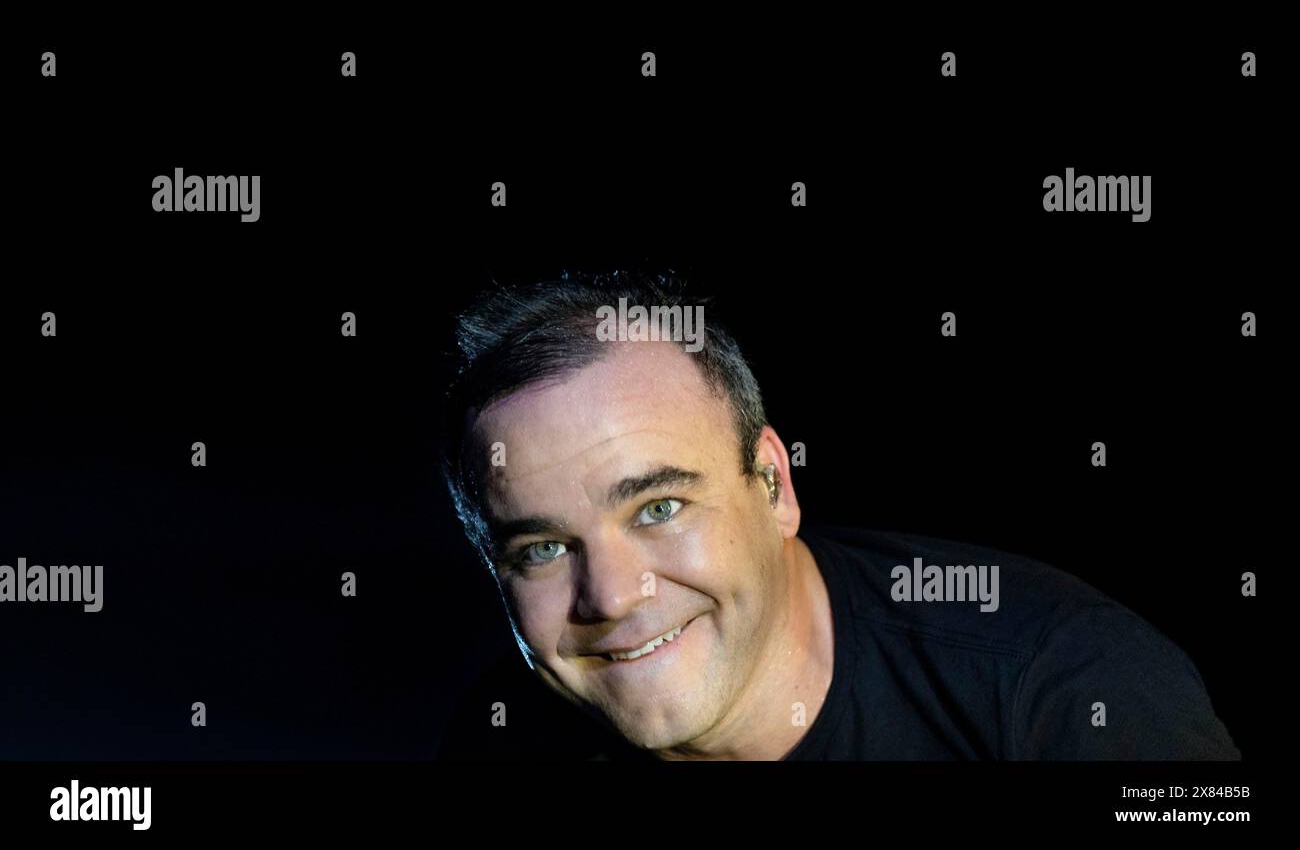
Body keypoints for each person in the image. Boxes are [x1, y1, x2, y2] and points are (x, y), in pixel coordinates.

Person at [437, 271, 1240, 760]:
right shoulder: (500, 741)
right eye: (541, 549)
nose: (609, 597)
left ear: (774, 486)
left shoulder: (1066, 687)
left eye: (661, 506)